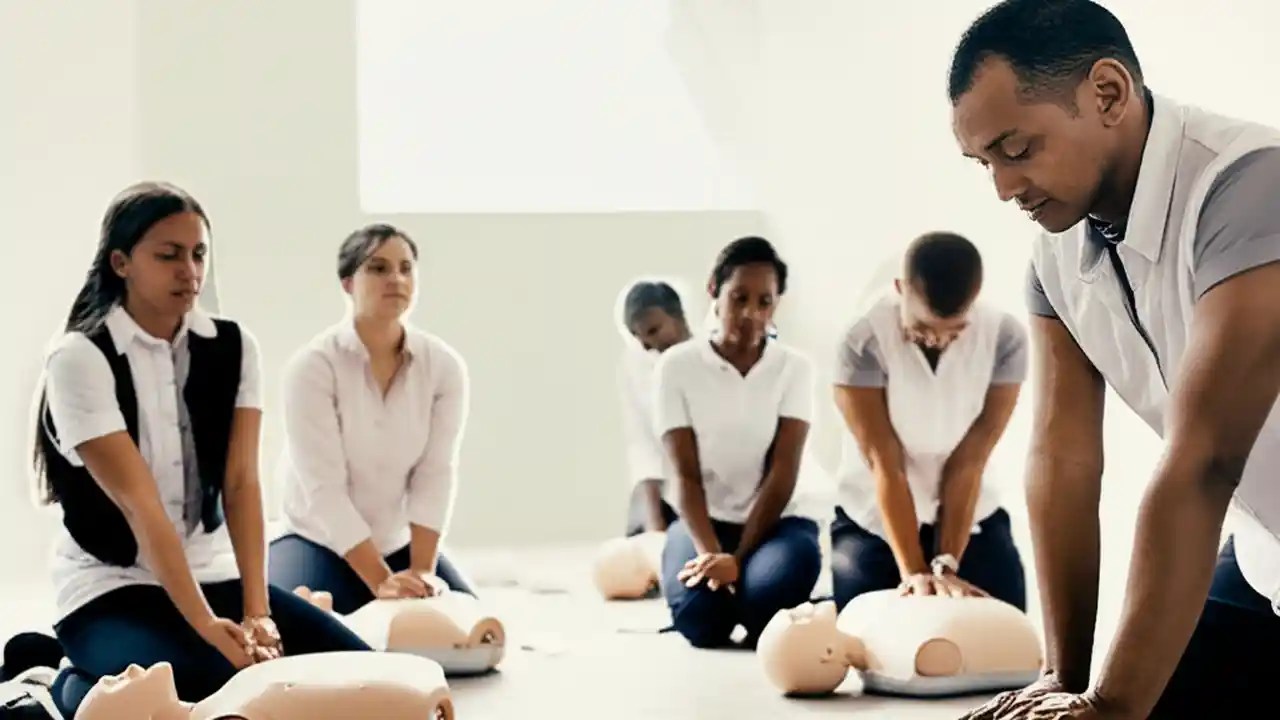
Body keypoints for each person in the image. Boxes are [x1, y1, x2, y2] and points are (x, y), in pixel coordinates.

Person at [948, 2, 1280, 718]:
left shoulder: (1254, 186)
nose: (1003, 188)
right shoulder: (1054, 258)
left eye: (1016, 149)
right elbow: (1062, 460)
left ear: (1107, 93)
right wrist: (1063, 678)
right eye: (984, 164)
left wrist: (1110, 705)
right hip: (1265, 557)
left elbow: (1206, 458)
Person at [29, 182, 370, 718]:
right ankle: (65, 681)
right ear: (121, 263)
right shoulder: (79, 358)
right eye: (168, 256)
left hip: (212, 575)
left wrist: (258, 613)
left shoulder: (234, 347)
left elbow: (241, 483)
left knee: (364, 674)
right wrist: (207, 626)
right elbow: (141, 506)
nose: (189, 271)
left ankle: (109, 672)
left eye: (198, 254)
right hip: (111, 587)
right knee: (212, 688)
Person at [268, 224, 476, 616]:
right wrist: (382, 582)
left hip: (397, 545)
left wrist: (422, 572)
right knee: (307, 629)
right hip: (316, 540)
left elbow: (435, 473)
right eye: (378, 268)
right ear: (348, 283)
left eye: (405, 268)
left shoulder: (443, 366)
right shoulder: (313, 367)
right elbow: (323, 489)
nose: (396, 279)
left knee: (469, 628)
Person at [829, 232, 1027, 612]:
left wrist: (946, 564)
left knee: (1005, 630)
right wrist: (915, 573)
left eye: (954, 330)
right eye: (923, 327)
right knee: (876, 626)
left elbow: (971, 459)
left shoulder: (1006, 337)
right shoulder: (861, 340)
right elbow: (885, 462)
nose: (937, 340)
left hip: (970, 512)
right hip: (874, 517)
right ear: (900, 289)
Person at [653, 236, 826, 649]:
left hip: (778, 524)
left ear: (777, 305)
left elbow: (782, 472)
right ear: (714, 290)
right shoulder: (677, 366)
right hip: (704, 521)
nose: (751, 313)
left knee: (766, 609)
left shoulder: (794, 369)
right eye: (739, 298)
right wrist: (711, 555)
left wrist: (739, 559)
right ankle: (725, 583)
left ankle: (751, 583)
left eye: (765, 302)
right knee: (700, 621)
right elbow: (685, 476)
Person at [615, 279, 690, 536]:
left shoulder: (715, 357)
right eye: (640, 338)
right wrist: (654, 525)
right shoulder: (635, 368)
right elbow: (643, 447)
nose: (649, 345)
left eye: (654, 330)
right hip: (665, 494)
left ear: (679, 317)